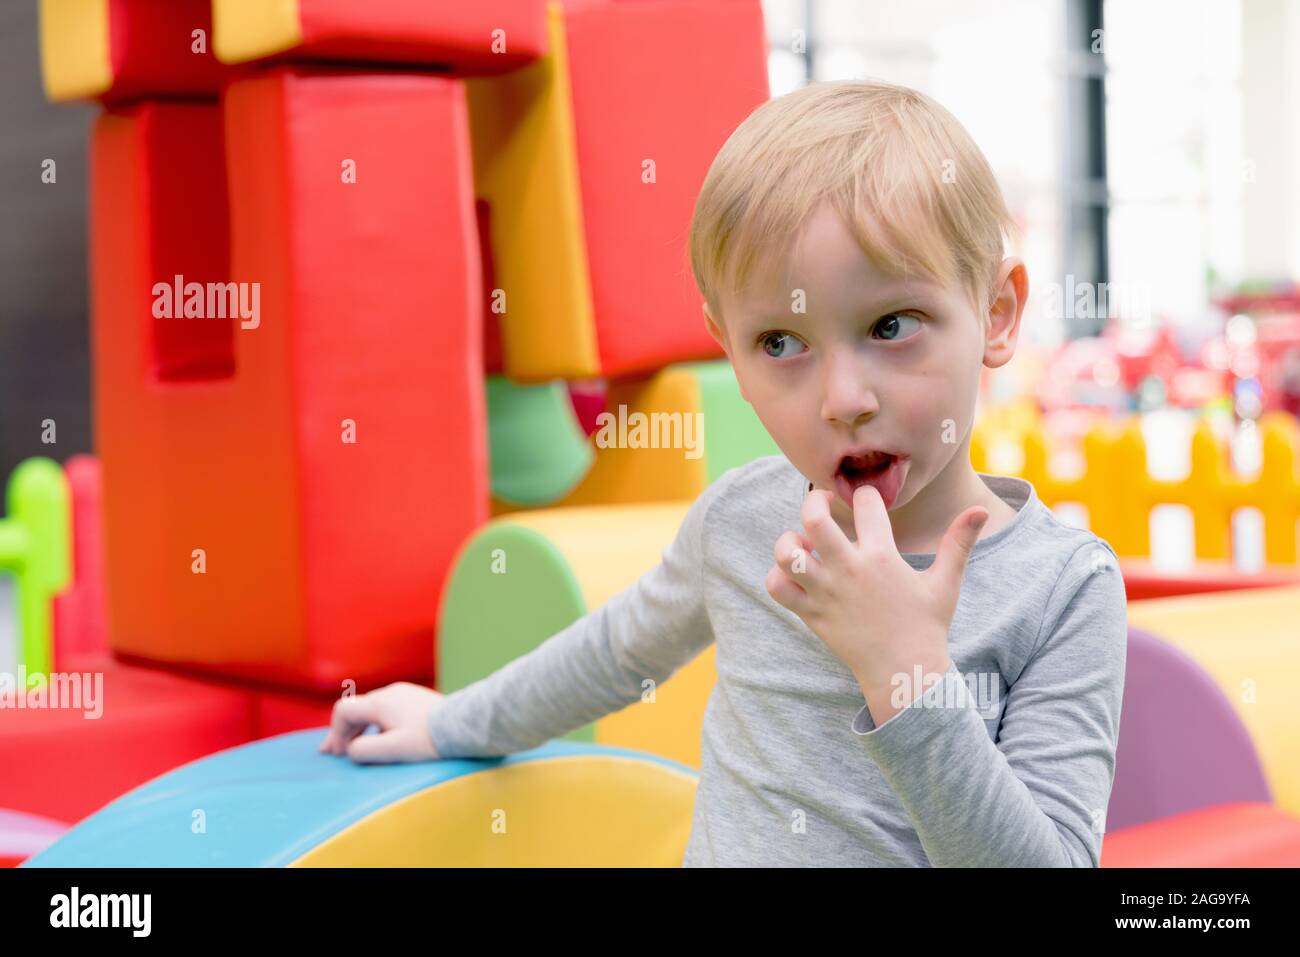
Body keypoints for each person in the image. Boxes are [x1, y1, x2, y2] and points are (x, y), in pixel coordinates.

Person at [320, 78, 1128, 867]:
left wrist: (908, 671)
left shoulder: (1062, 587)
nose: (842, 399)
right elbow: (613, 653)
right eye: (780, 343)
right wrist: (451, 723)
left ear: (996, 314)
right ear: (730, 353)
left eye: (891, 324)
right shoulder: (741, 521)